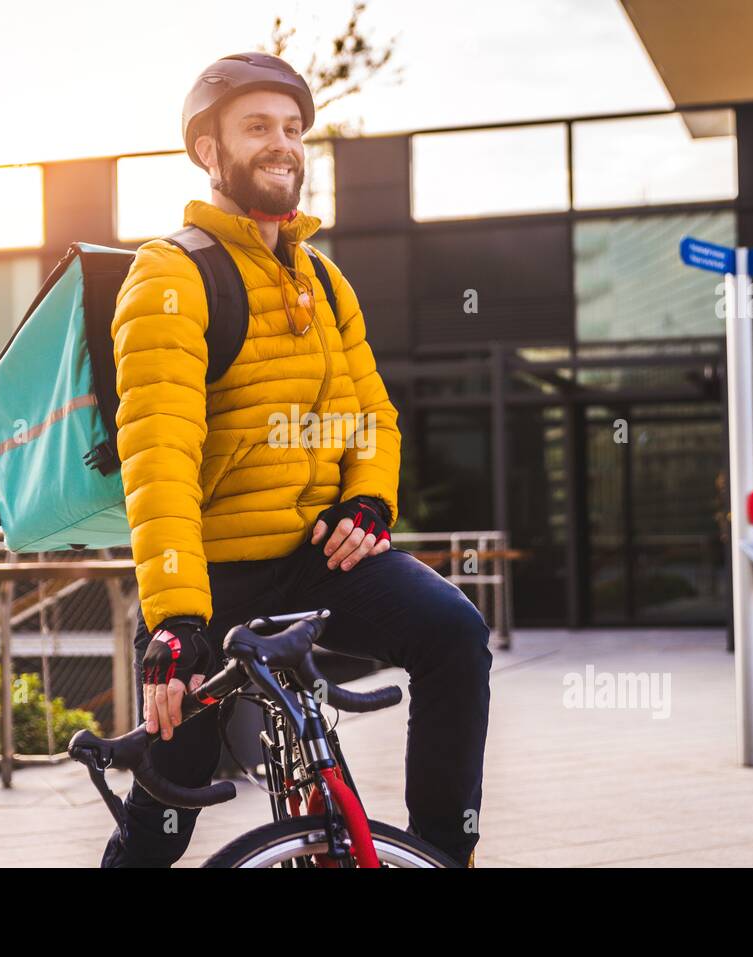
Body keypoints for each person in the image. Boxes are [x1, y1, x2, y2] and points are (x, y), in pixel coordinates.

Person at [101, 52, 491, 868]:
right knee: (170, 802)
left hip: (318, 561)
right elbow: (158, 453)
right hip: (217, 582)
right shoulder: (169, 274)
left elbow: (374, 415)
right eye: (256, 128)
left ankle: (442, 854)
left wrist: (368, 503)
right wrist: (174, 624)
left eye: (292, 129)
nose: (282, 144)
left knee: (456, 633)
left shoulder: (324, 277)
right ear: (209, 152)